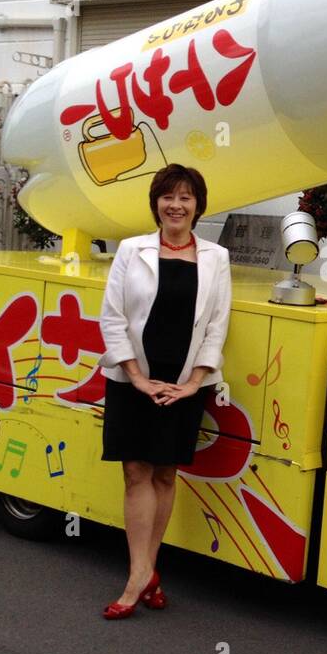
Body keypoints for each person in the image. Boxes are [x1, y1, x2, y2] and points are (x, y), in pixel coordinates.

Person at [97, 164, 232, 619]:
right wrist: (135, 377)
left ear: (198, 205)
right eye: (167, 196)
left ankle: (146, 571)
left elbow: (216, 325)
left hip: (182, 384)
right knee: (135, 470)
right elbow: (112, 317)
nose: (176, 204)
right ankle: (140, 575)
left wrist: (193, 384)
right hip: (133, 378)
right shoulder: (131, 250)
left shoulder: (217, 257)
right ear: (156, 203)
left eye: (186, 197)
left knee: (165, 474)